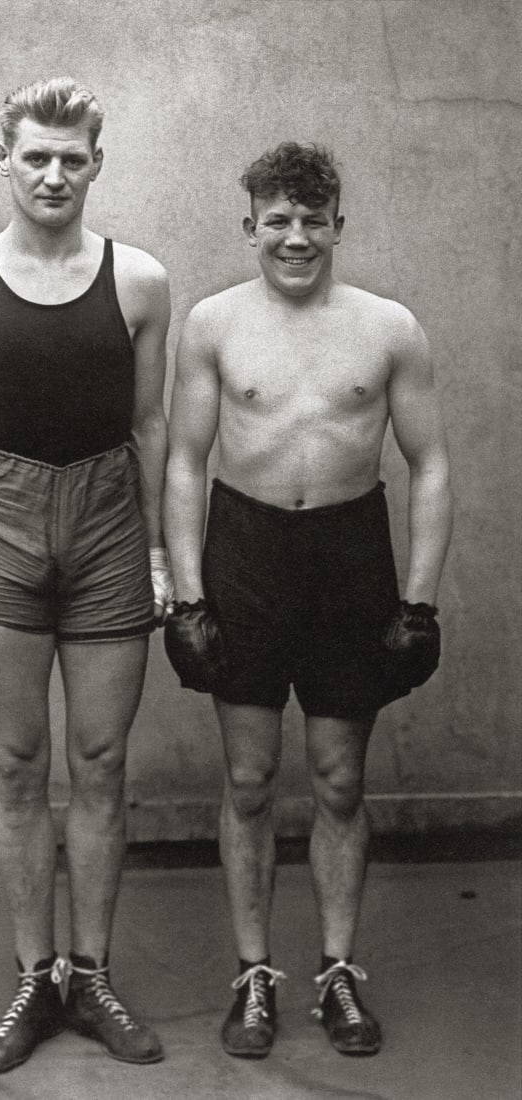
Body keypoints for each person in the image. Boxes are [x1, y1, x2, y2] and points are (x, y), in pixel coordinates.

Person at [0, 77, 174, 1073]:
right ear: (3, 160)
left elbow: (152, 427)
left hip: (107, 524)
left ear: (95, 165)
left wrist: (158, 554)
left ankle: (89, 974)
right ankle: (33, 972)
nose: (54, 173)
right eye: (36, 156)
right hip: (1, 524)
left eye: (72, 158)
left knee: (100, 762)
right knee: (18, 765)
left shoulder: (138, 279)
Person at [163, 143, 452, 1059]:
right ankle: (253, 975)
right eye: (277, 220)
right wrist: (188, 596)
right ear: (250, 225)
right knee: (248, 780)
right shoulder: (212, 323)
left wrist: (420, 602)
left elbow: (431, 464)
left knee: (339, 779)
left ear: (339, 224)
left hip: (348, 556)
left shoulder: (388, 327)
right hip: (245, 553)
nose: (296, 237)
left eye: (313, 220)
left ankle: (336, 973)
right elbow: (181, 463)